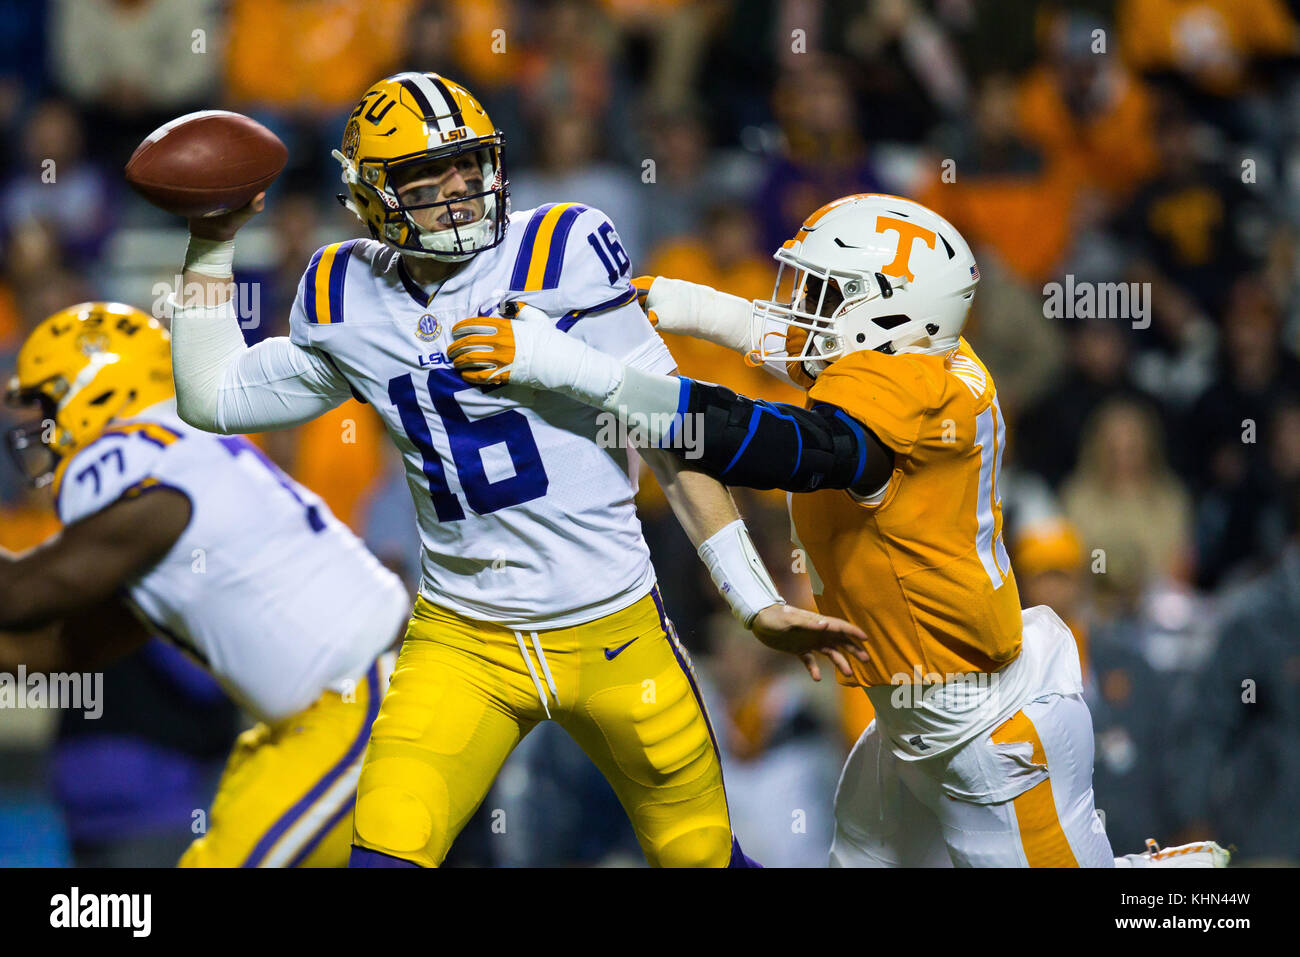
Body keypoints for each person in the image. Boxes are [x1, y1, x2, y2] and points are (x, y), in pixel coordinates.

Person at [163, 72, 865, 868]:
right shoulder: (342, 292)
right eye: (426, 175)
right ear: (367, 199)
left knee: (700, 856)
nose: (458, 186)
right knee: (384, 852)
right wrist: (212, 244)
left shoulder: (562, 247)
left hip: (614, 626)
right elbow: (215, 396)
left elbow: (668, 429)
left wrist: (753, 599)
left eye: (468, 162)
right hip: (464, 638)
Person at [447, 192, 1228, 868]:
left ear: (889, 310)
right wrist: (649, 299)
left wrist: (578, 368)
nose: (801, 307)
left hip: (988, 738)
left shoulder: (904, 398)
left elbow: (767, 444)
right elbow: (768, 331)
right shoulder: (911, 356)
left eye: (825, 293)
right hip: (912, 718)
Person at [0, 302, 411, 866]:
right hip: (332, 711)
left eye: (45, 403)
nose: (35, 431)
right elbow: (61, 650)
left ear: (98, 391)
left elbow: (16, 596)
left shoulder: (143, 465)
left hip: (369, 702)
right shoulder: (177, 471)